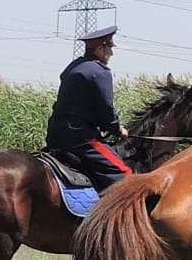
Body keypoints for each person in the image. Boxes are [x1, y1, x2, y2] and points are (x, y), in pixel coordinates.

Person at [46, 25, 132, 190]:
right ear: (100, 48)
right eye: (110, 48)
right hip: (81, 139)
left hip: (55, 135)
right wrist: (117, 129)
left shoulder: (73, 67)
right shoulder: (99, 72)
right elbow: (106, 109)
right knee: (125, 175)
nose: (111, 53)